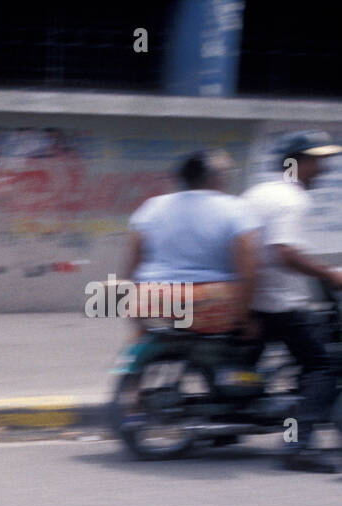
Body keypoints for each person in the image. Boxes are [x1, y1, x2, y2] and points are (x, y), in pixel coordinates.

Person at [242, 130, 342, 473]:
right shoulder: (291, 198)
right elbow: (284, 252)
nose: (323, 170)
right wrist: (329, 274)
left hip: (251, 297)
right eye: (317, 162)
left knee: (251, 365)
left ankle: (229, 425)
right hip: (278, 301)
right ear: (296, 163)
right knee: (321, 367)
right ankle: (297, 444)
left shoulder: (258, 192)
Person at [123, 149, 260, 341]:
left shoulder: (151, 206)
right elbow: (248, 271)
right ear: (215, 179)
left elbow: (133, 263)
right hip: (208, 305)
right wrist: (245, 319)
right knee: (250, 340)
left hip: (150, 299)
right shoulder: (236, 208)